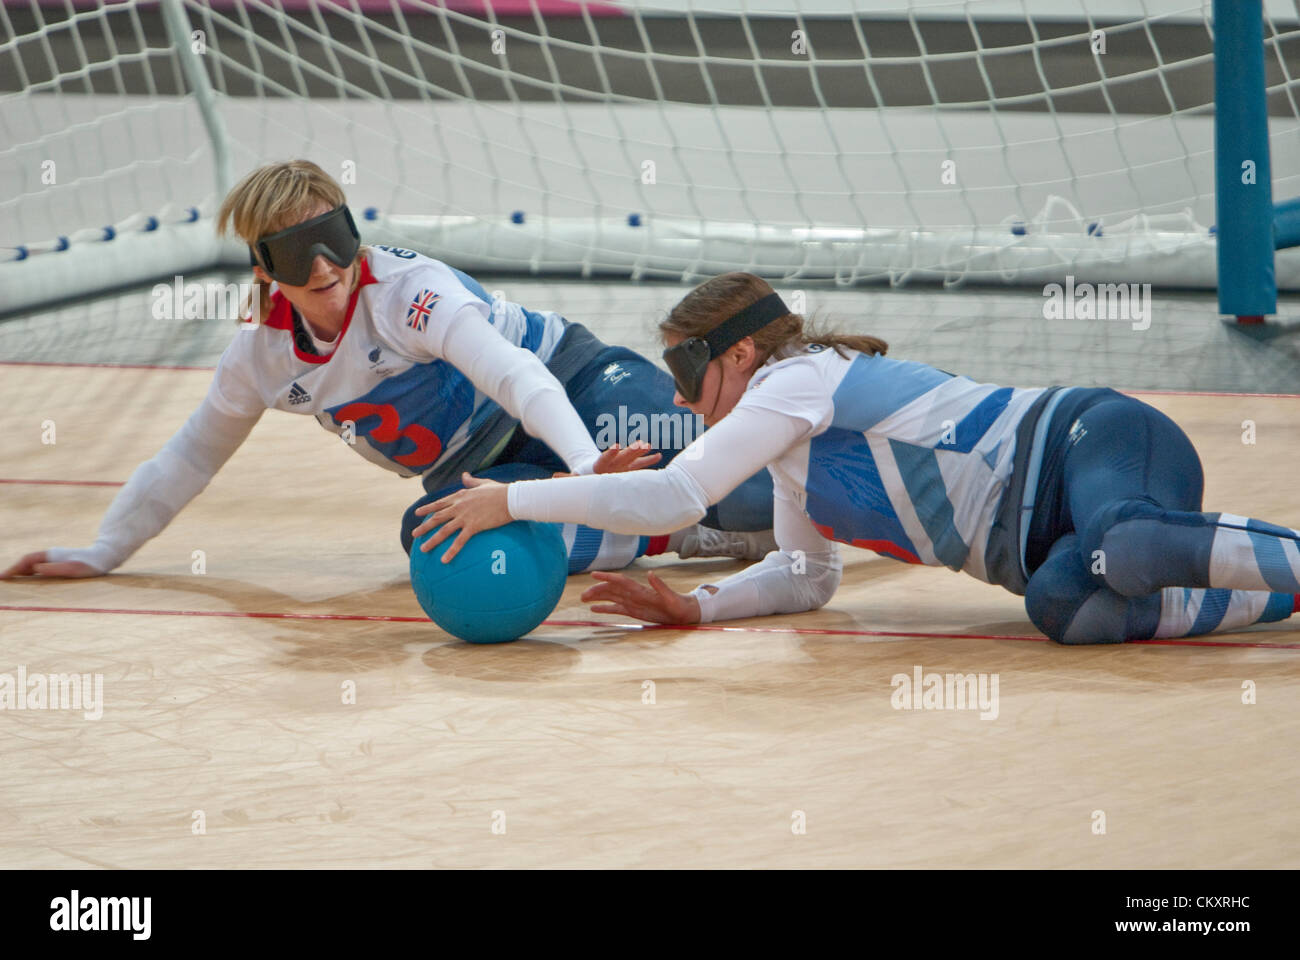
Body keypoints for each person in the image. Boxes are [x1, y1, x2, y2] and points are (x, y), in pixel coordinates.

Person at [415, 271, 1300, 644]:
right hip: (1044, 546)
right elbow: (806, 578)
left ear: (739, 355)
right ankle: (1276, 596)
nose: (679, 399)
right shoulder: (797, 449)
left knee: (1129, 549)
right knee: (1065, 606)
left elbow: (680, 495)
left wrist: (518, 502)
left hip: (1091, 442)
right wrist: (700, 607)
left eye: (687, 371)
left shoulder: (801, 378)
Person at [1, 162, 774, 583]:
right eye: (300, 256)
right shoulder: (261, 358)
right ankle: (681, 538)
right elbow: (189, 458)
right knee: (427, 540)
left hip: (575, 387)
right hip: (482, 469)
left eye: (335, 239)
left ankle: (817, 484)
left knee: (752, 493)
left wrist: (584, 471)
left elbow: (514, 376)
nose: (328, 268)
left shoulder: (410, 291)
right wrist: (104, 550)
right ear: (267, 271)